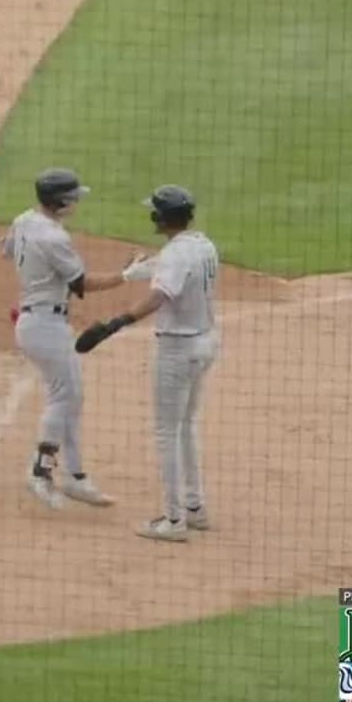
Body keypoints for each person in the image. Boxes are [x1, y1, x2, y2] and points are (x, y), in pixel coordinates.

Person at [74, 185, 220, 542]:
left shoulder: (174, 256)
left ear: (160, 218)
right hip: (206, 342)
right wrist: (134, 271)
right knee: (186, 426)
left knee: (166, 433)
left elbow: (160, 295)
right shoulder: (203, 245)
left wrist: (114, 324)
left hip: (177, 349)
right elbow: (167, 267)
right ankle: (195, 508)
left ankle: (173, 520)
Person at [0, 168, 141, 509]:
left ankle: (76, 477)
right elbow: (81, 284)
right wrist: (126, 276)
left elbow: (6, 249)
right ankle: (40, 472)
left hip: (37, 319)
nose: (77, 200)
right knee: (65, 397)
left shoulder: (24, 220)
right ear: (61, 202)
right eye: (74, 196)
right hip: (45, 325)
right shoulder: (54, 239)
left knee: (71, 398)